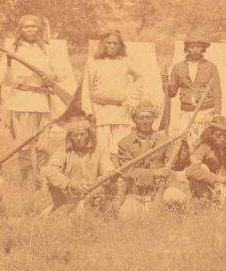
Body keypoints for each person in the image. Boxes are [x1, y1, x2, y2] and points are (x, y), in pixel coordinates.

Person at [1, 14, 65, 191]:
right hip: (21, 101)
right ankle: (28, 182)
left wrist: (49, 76)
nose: (30, 30)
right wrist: (8, 61)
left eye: (34, 26)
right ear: (20, 30)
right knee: (23, 146)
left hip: (42, 102)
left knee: (43, 145)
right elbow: (6, 80)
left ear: (39, 29)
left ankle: (44, 181)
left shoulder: (47, 49)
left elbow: (60, 73)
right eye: (26, 27)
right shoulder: (13, 50)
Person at [81, 30, 142, 158]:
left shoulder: (125, 61)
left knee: (121, 145)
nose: (112, 46)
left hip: (121, 110)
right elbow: (86, 88)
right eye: (108, 43)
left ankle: (121, 174)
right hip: (101, 110)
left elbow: (140, 76)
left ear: (120, 45)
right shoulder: (93, 62)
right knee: (102, 147)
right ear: (103, 44)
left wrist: (133, 97)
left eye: (115, 43)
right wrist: (89, 111)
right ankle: (104, 174)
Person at [41, 116, 116, 214]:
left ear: (89, 134)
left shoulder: (99, 151)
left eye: (82, 134)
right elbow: (49, 170)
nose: (79, 138)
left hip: (93, 195)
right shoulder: (63, 151)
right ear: (69, 136)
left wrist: (94, 185)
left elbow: (109, 171)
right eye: (75, 135)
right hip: (69, 196)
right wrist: (69, 184)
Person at [164, 36, 222, 144]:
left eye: (198, 47)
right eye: (192, 47)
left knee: (203, 142)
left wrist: (217, 113)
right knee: (183, 142)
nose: (195, 49)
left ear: (203, 48)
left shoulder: (211, 67)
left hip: (206, 112)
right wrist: (166, 85)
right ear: (187, 48)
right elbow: (172, 93)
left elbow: (217, 91)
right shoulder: (178, 67)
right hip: (186, 112)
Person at [115, 100, 173, 201]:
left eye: (148, 117)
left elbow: (174, 166)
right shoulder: (124, 143)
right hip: (135, 193)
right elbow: (128, 171)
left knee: (177, 197)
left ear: (154, 119)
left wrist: (183, 148)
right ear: (134, 120)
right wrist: (154, 173)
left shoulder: (164, 140)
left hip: (160, 189)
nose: (145, 121)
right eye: (141, 118)